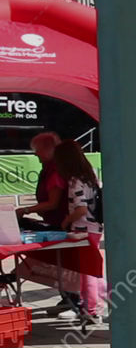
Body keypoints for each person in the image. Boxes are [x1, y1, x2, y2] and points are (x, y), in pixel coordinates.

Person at [18, 131, 80, 319]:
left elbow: (52, 203)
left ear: (48, 149)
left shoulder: (55, 171)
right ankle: (68, 299)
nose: (35, 154)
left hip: (63, 225)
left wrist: (25, 210)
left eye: (37, 151)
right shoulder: (51, 168)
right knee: (63, 263)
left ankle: (76, 302)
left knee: (68, 264)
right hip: (57, 222)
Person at [54, 140, 104, 325]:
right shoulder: (90, 177)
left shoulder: (75, 181)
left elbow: (81, 209)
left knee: (87, 272)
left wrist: (66, 221)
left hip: (83, 230)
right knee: (93, 269)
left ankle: (90, 309)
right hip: (95, 228)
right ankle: (95, 305)